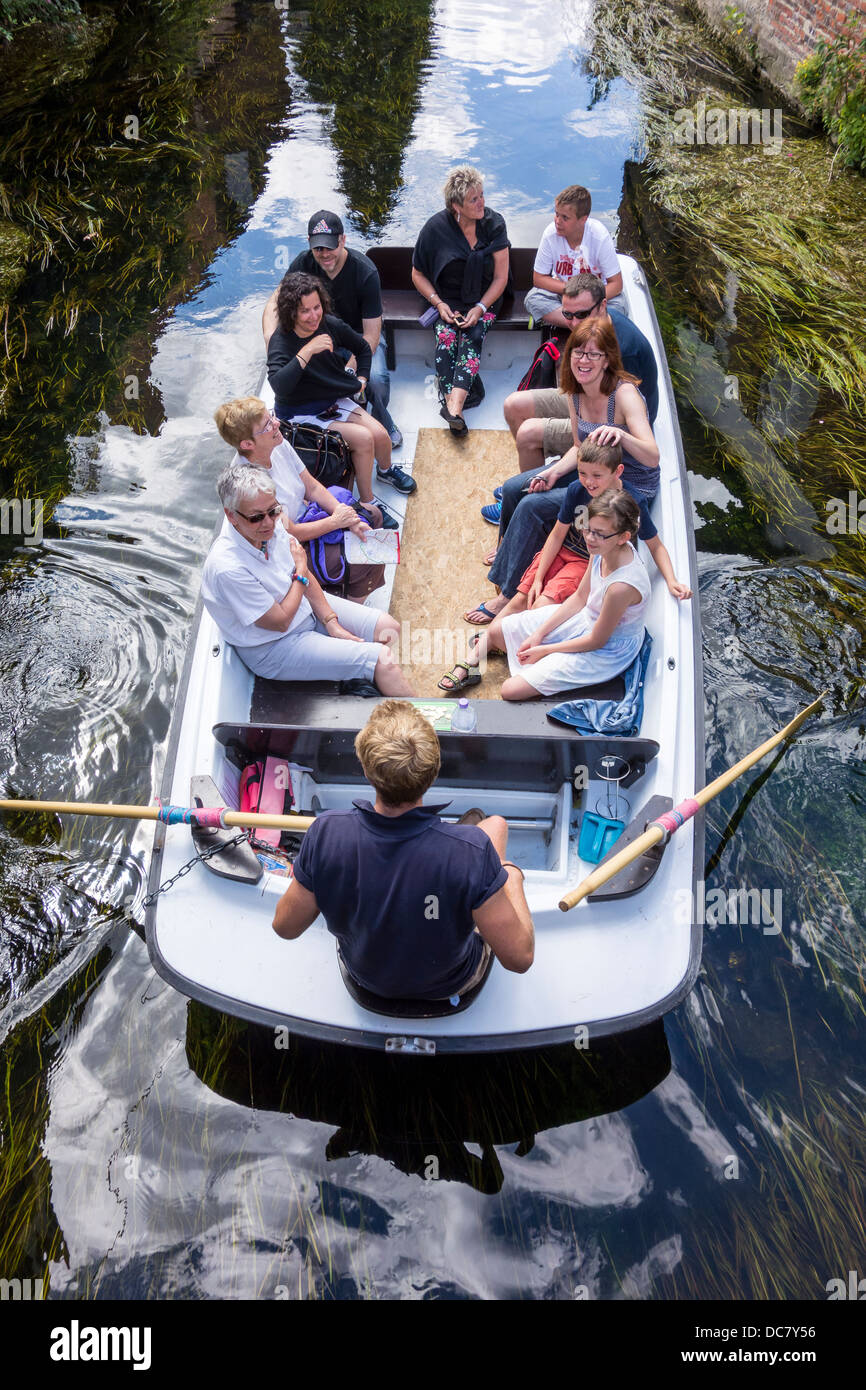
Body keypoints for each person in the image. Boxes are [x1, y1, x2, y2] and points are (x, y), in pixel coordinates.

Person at [272, 699, 534, 999]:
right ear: (433, 772)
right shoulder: (474, 851)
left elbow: (285, 927)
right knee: (496, 827)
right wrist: (508, 873)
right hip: (452, 981)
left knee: (487, 835)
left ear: (369, 774)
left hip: (365, 977)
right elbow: (520, 958)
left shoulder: (326, 833)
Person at [466, 316, 660, 623]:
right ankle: (509, 551)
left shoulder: (624, 395)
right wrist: (553, 472)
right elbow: (579, 446)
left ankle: (506, 595)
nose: (583, 361)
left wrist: (621, 434)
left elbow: (652, 457)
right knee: (519, 487)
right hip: (593, 470)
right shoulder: (574, 390)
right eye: (577, 353)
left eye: (592, 354)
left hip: (625, 482)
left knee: (532, 506)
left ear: (607, 359)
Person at [445, 442, 689, 671]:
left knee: (540, 605)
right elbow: (556, 534)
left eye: (596, 475)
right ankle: (477, 654)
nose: (588, 482)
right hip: (565, 550)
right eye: (583, 473)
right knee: (521, 598)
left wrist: (671, 580)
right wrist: (539, 576)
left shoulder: (631, 502)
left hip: (587, 560)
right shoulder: (577, 490)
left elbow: (655, 545)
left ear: (617, 471)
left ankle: (508, 643)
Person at [201, 463, 414, 693]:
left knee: (389, 628)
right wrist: (300, 573)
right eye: (256, 517)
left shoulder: (268, 527)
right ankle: (425, 726)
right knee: (383, 660)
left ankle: (351, 674)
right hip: (275, 646)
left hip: (306, 611)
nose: (269, 522)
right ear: (231, 516)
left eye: (274, 511)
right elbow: (280, 621)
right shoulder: (228, 568)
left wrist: (331, 622)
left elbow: (305, 577)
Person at [441, 490, 651, 701]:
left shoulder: (621, 587)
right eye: (587, 528)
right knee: (496, 629)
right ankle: (473, 665)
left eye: (598, 533)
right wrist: (538, 635)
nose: (589, 537)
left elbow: (597, 640)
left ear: (623, 537)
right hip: (585, 620)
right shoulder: (602, 549)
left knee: (510, 690)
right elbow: (579, 598)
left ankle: (529, 658)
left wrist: (545, 650)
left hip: (606, 649)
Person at [262, 208, 410, 469]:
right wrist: (271, 339)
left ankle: (379, 414)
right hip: (317, 337)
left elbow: (371, 335)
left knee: (375, 379)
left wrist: (351, 370)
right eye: (319, 249)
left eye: (330, 247)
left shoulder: (365, 271)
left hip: (355, 335)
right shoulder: (301, 264)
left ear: (343, 240)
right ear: (310, 245)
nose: (325, 254)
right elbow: (276, 299)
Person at [496, 273, 658, 493]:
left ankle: (530, 491)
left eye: (581, 314)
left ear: (602, 305)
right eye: (567, 315)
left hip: (614, 421)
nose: (573, 324)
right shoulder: (596, 327)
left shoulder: (625, 350)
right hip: (588, 395)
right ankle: (533, 482)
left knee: (528, 433)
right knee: (513, 405)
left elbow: (625, 414)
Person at [266, 271, 402, 529]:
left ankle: (385, 473)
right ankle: (368, 505)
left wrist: (361, 378)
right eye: (305, 311)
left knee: (381, 435)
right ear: (290, 312)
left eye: (316, 307)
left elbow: (362, 347)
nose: (314, 315)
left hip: (332, 400)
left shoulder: (329, 323)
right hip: (300, 415)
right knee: (363, 439)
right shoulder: (281, 341)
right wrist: (308, 350)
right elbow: (279, 386)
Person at [411, 165, 510, 435]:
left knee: (472, 336)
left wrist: (479, 308)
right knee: (445, 342)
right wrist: (438, 304)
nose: (482, 203)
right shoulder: (435, 229)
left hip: (485, 299)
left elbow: (501, 278)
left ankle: (453, 408)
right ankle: (463, 404)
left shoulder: (494, 224)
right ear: (456, 205)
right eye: (473, 200)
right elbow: (417, 274)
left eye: (482, 195)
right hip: (446, 301)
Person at [214, 395, 372, 544]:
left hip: (308, 517)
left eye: (272, 416)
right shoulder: (249, 484)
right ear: (247, 444)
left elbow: (312, 487)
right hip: (292, 544)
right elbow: (291, 531)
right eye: (267, 425)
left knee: (372, 516)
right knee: (362, 563)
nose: (277, 423)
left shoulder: (277, 444)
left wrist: (347, 517)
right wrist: (336, 521)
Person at [524, 186, 623, 331]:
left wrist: (587, 299)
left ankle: (567, 321)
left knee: (619, 307)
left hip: (594, 300)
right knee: (533, 299)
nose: (558, 221)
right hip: (565, 296)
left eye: (565, 217)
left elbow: (616, 284)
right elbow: (538, 278)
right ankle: (589, 327)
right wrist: (573, 293)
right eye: (556, 214)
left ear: (583, 219)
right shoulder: (550, 234)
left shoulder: (599, 236)